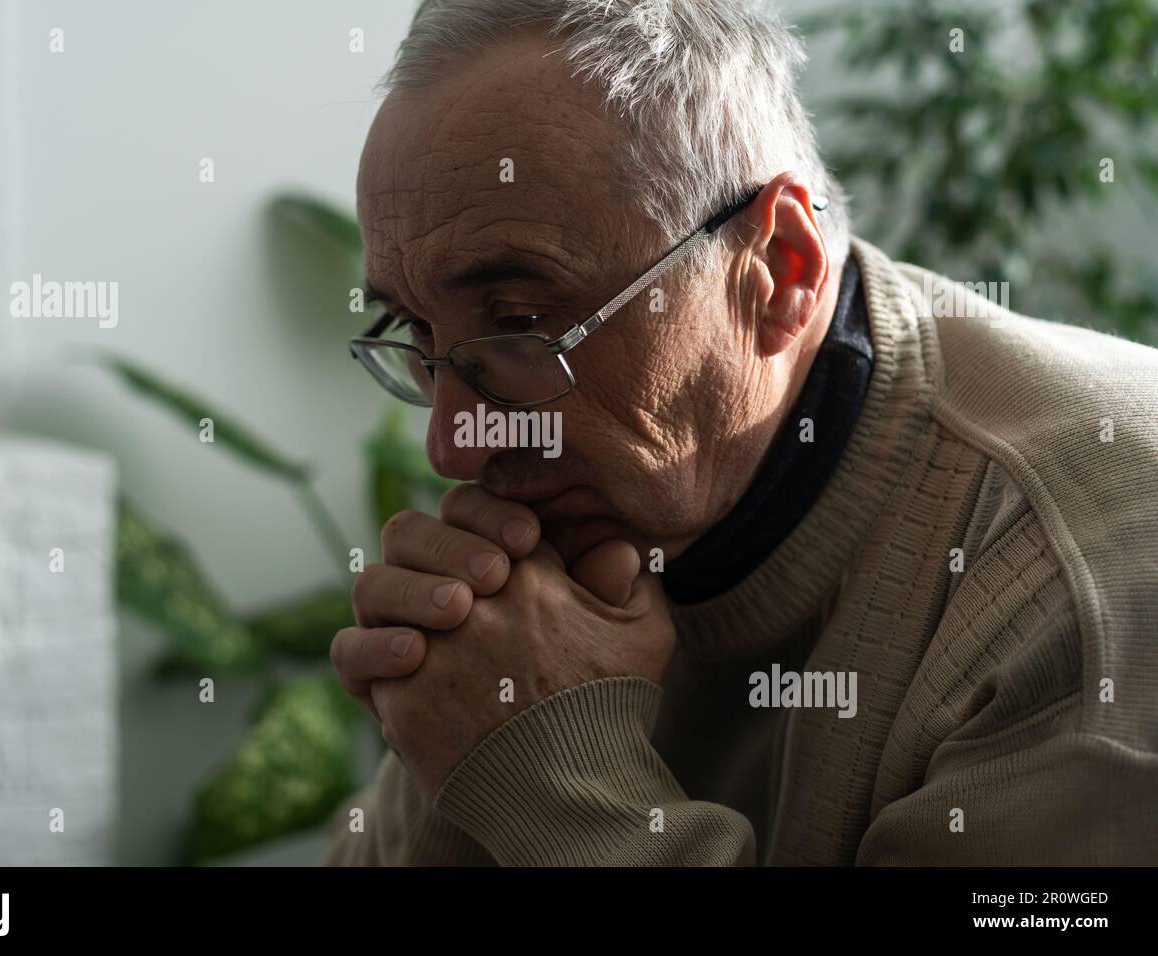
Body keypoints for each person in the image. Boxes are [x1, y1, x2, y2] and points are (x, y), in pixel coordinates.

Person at [325, 0, 1158, 866]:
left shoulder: (1095, 571)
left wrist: (556, 780)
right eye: (421, 336)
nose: (452, 446)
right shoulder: (585, 522)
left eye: (524, 322)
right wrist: (456, 739)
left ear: (777, 270)